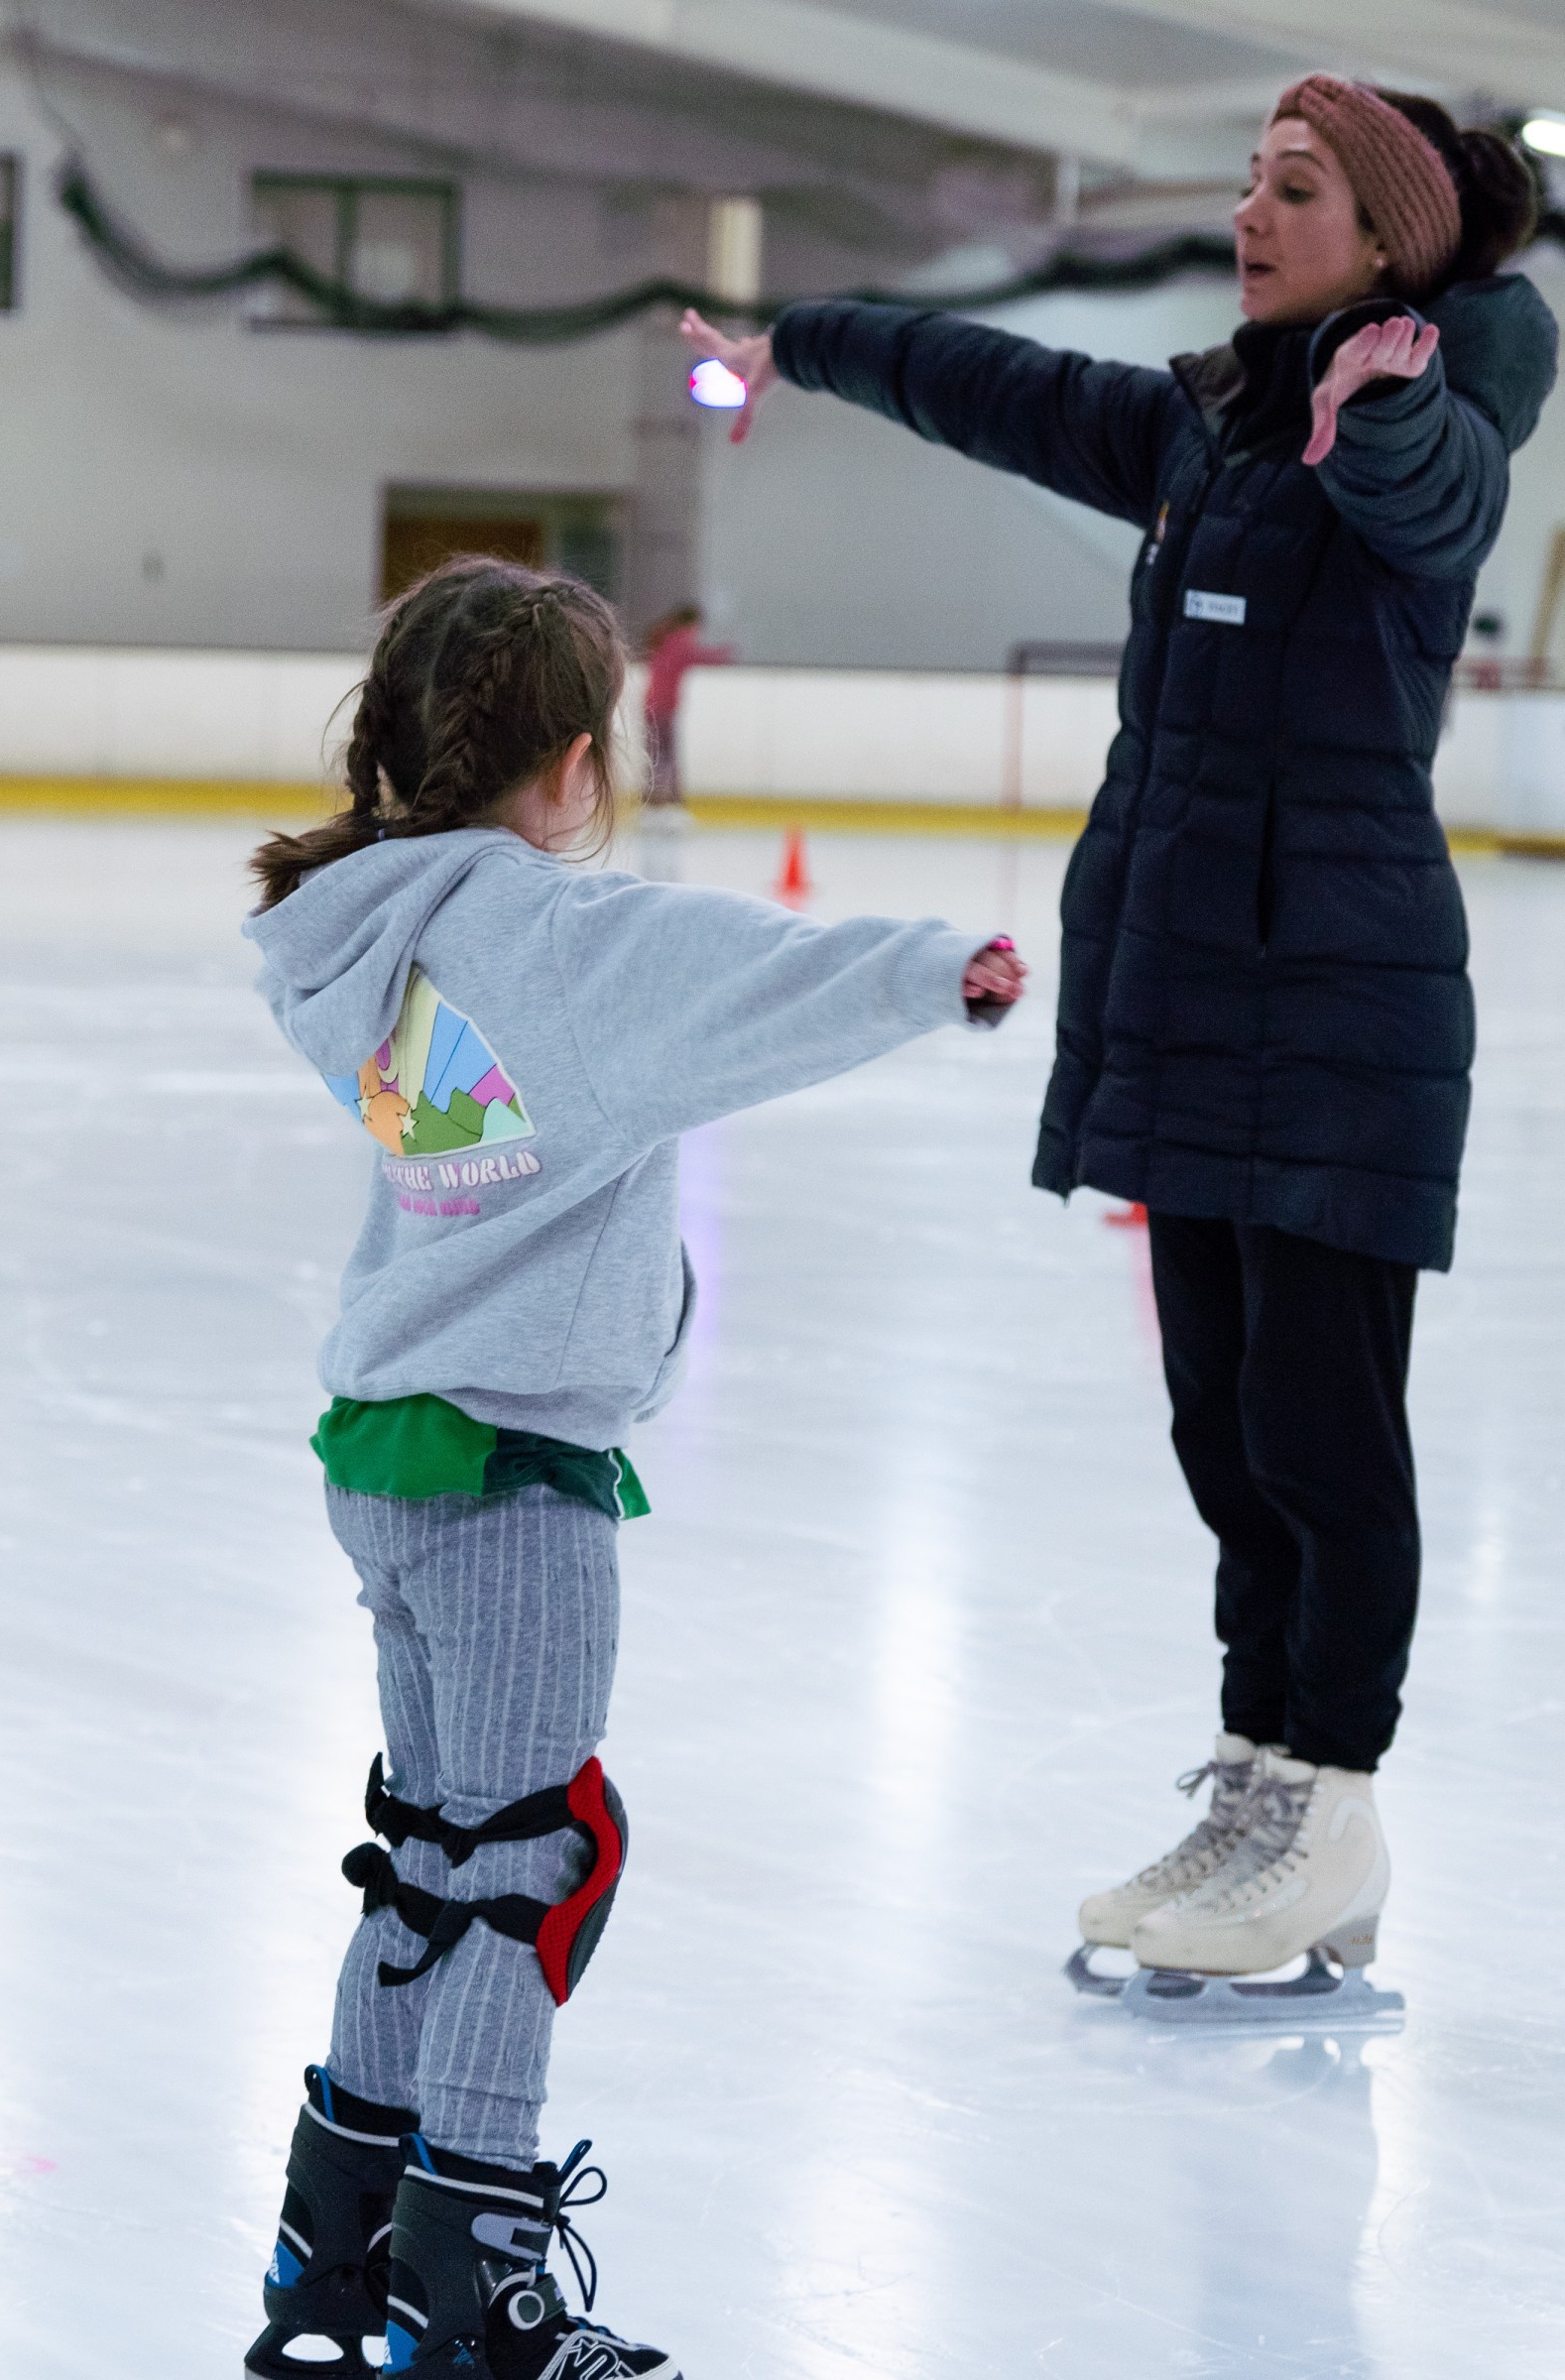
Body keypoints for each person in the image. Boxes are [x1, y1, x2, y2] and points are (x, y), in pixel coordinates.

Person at [683, 80, 1552, 1990]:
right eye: (1248, 177)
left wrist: (1393, 375)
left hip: (1342, 1008)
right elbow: (991, 383)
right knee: (1223, 1428)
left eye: (1296, 188)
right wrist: (803, 345)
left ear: (1390, 239)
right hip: (1191, 990)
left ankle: (1333, 1796)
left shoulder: (1430, 421)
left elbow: (1438, 485)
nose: (1249, 209)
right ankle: (1264, 1781)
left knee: (1327, 1435)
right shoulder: (1204, 430)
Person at [239, 557, 1024, 2378]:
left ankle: (337, 2237)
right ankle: (477, 2280)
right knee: (529, 1858)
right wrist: (928, 971)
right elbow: (740, 976)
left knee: (438, 1852)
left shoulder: (375, 926)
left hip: (394, 1441)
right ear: (578, 766)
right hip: (512, 1462)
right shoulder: (544, 938)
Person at [638, 604, 732, 807]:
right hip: (662, 707)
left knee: (658, 752)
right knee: (665, 753)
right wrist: (725, 654)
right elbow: (699, 657)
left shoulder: (664, 638)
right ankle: (663, 797)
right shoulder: (680, 641)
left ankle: (661, 796)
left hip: (653, 704)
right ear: (692, 624)